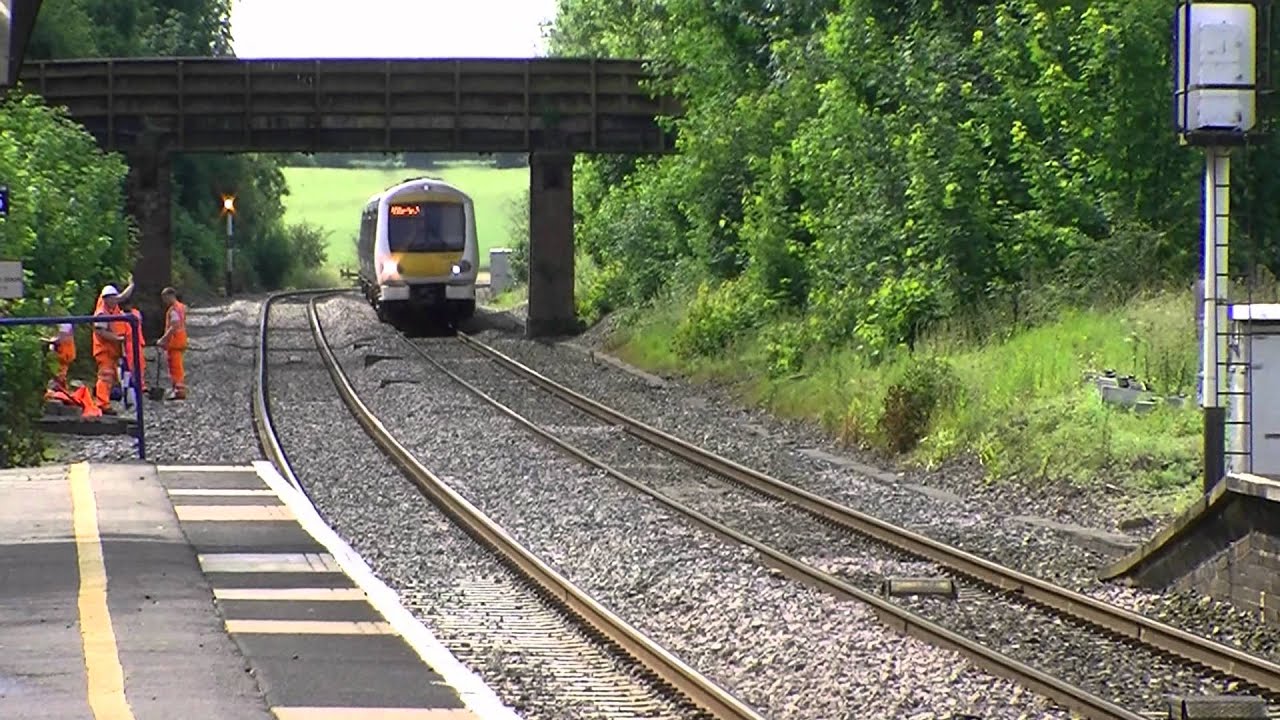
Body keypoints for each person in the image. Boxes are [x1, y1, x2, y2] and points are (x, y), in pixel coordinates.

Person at [92, 286, 130, 414]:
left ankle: (104, 401)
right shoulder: (102, 313)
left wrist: (133, 284)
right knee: (105, 377)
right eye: (113, 298)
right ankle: (102, 403)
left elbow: (123, 297)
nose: (116, 300)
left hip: (112, 350)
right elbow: (100, 331)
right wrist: (117, 339)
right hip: (104, 350)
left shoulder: (112, 308)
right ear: (106, 299)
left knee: (110, 377)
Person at [157, 287, 188, 400]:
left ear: (169, 296)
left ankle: (179, 391)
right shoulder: (181, 307)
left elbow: (174, 326)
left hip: (175, 341)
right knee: (177, 364)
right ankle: (178, 389)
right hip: (181, 339)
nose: (163, 301)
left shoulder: (174, 309)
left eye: (164, 298)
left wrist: (163, 339)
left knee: (175, 366)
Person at [118, 298, 147, 392]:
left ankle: (140, 384)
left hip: (137, 341)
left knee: (140, 364)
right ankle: (130, 385)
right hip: (127, 343)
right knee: (129, 365)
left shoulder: (136, 313)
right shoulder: (120, 315)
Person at [44, 322, 76, 392]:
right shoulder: (61, 330)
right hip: (60, 358)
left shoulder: (66, 335)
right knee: (59, 374)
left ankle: (61, 390)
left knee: (60, 374)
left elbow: (62, 338)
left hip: (64, 357)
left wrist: (51, 341)